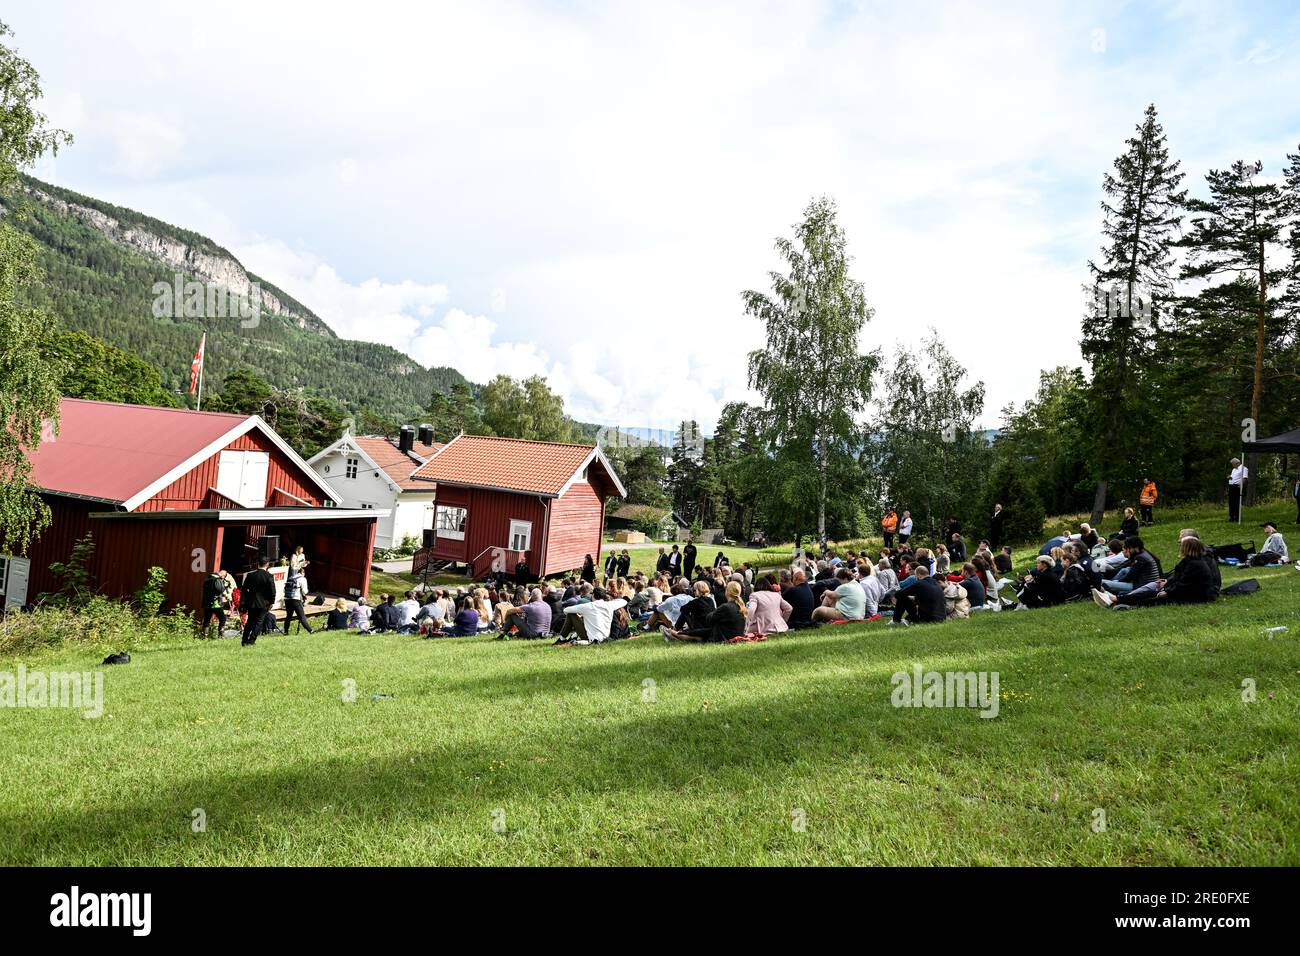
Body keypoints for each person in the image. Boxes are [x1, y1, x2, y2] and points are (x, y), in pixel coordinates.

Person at [1095, 536, 1217, 609]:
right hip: (1184, 592)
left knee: (1153, 597)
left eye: (1182, 546)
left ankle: (1120, 601)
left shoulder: (1195, 564)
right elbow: (1180, 579)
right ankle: (1117, 599)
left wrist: (1167, 590)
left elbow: (1184, 585)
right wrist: (1167, 582)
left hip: (1194, 597)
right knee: (1151, 590)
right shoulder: (1190, 561)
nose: (1180, 548)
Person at [662, 581, 746, 642]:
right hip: (733, 633)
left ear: (727, 592)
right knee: (697, 634)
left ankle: (673, 632)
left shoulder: (726, 607)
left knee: (695, 633)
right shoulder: (741, 606)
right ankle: (675, 633)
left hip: (720, 636)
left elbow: (709, 619)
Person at [240, 559, 276, 646]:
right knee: (259, 622)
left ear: (258, 564)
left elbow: (244, 590)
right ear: (267, 564)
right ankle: (251, 641)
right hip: (264, 603)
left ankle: (244, 640)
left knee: (250, 621)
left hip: (251, 602)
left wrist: (244, 601)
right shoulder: (269, 576)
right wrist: (272, 602)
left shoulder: (250, 575)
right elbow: (272, 591)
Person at [201, 569, 232, 638]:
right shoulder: (217, 579)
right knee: (223, 618)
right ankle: (221, 636)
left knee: (207, 619)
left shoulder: (208, 578)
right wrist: (226, 595)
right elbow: (220, 589)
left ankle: (204, 637)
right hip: (215, 604)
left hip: (207, 604)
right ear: (223, 575)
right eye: (224, 577)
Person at [283, 567, 313, 634]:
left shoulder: (290, 578)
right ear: (303, 573)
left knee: (288, 616)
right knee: (302, 617)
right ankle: (310, 630)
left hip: (287, 599)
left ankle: (285, 631)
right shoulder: (302, 579)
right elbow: (305, 591)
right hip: (296, 599)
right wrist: (304, 595)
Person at [1228, 457, 1248, 523]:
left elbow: (1244, 478)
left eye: (1233, 464)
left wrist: (1241, 485)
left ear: (1237, 463)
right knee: (1231, 503)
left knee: (1237, 503)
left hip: (1237, 487)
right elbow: (1232, 477)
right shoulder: (1234, 469)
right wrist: (1230, 477)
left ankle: (1237, 518)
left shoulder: (1244, 469)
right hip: (1231, 486)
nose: (1232, 465)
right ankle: (1231, 517)